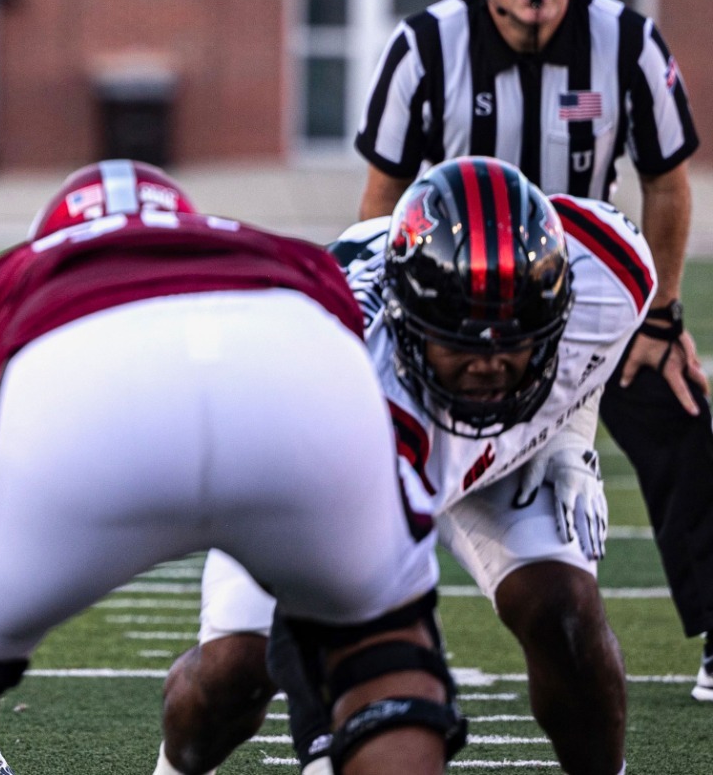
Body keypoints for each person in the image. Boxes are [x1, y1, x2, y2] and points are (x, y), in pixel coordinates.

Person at [0, 161, 463, 775]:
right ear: (187, 222)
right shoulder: (269, 247)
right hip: (281, 370)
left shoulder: (18, 271)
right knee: (388, 665)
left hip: (90, 387)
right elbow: (346, 338)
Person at [158, 158, 649, 775]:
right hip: (347, 454)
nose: (489, 367)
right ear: (407, 321)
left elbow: (588, 352)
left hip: (489, 455)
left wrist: (565, 437)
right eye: (462, 344)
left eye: (513, 340)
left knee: (564, 608)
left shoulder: (609, 269)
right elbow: (310, 596)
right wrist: (322, 750)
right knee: (234, 671)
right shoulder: (348, 382)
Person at [354, 0, 710, 695]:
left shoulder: (625, 40)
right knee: (374, 456)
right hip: (450, 298)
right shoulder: (424, 46)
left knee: (682, 406)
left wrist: (660, 319)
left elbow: (668, 181)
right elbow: (380, 199)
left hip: (573, 293)